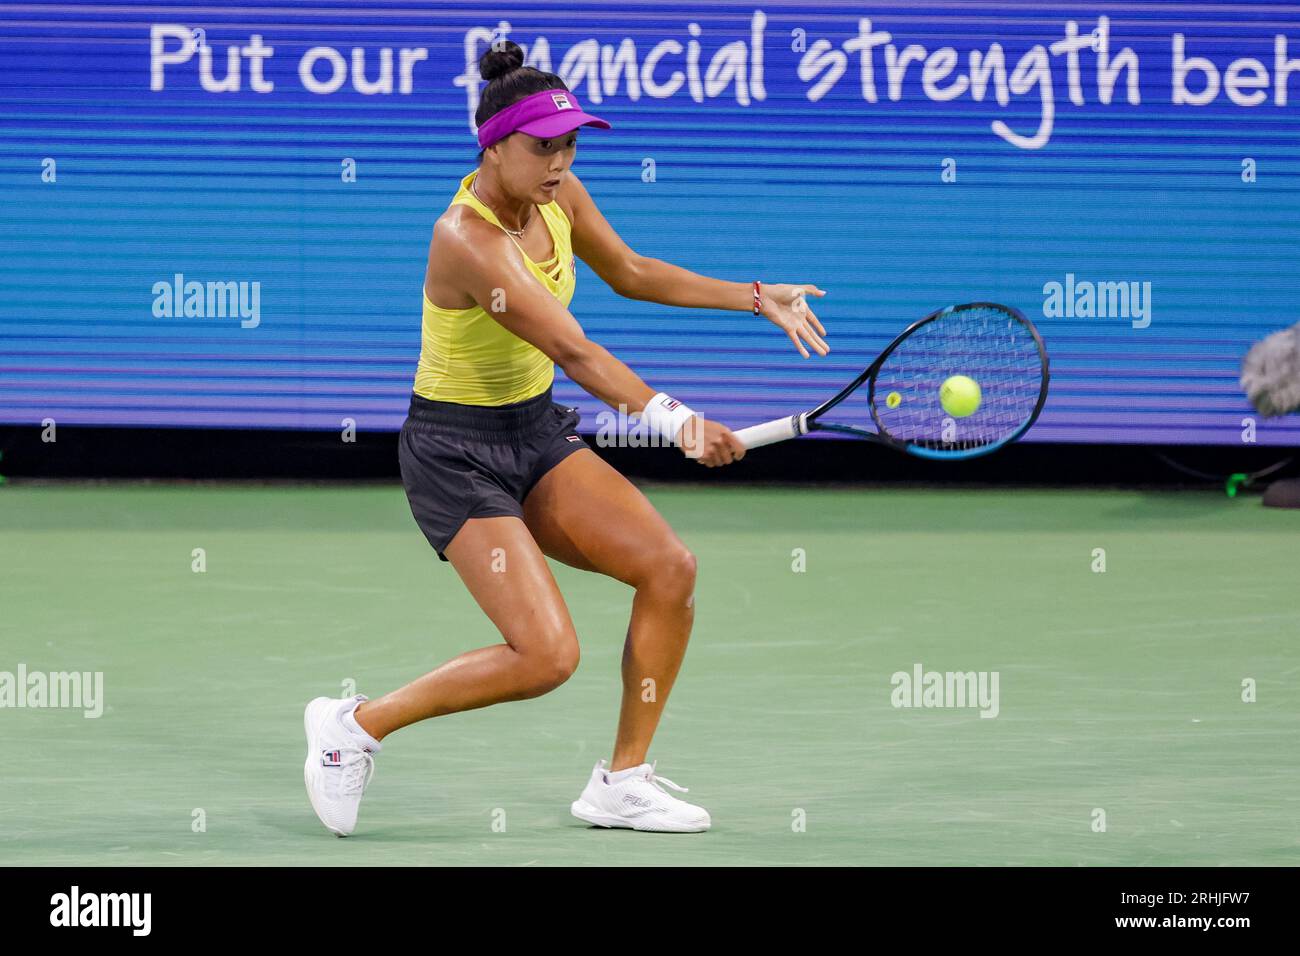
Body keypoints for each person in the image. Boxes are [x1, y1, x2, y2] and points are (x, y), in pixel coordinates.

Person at [304, 40, 828, 836]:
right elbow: (574, 349)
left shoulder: (560, 197)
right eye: (543, 147)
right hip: (454, 454)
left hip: (534, 433)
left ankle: (622, 780)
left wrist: (756, 296)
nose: (560, 161)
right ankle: (353, 728)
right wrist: (678, 422)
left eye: (570, 145)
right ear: (494, 146)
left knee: (669, 570)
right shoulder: (465, 239)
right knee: (545, 657)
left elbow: (631, 270)